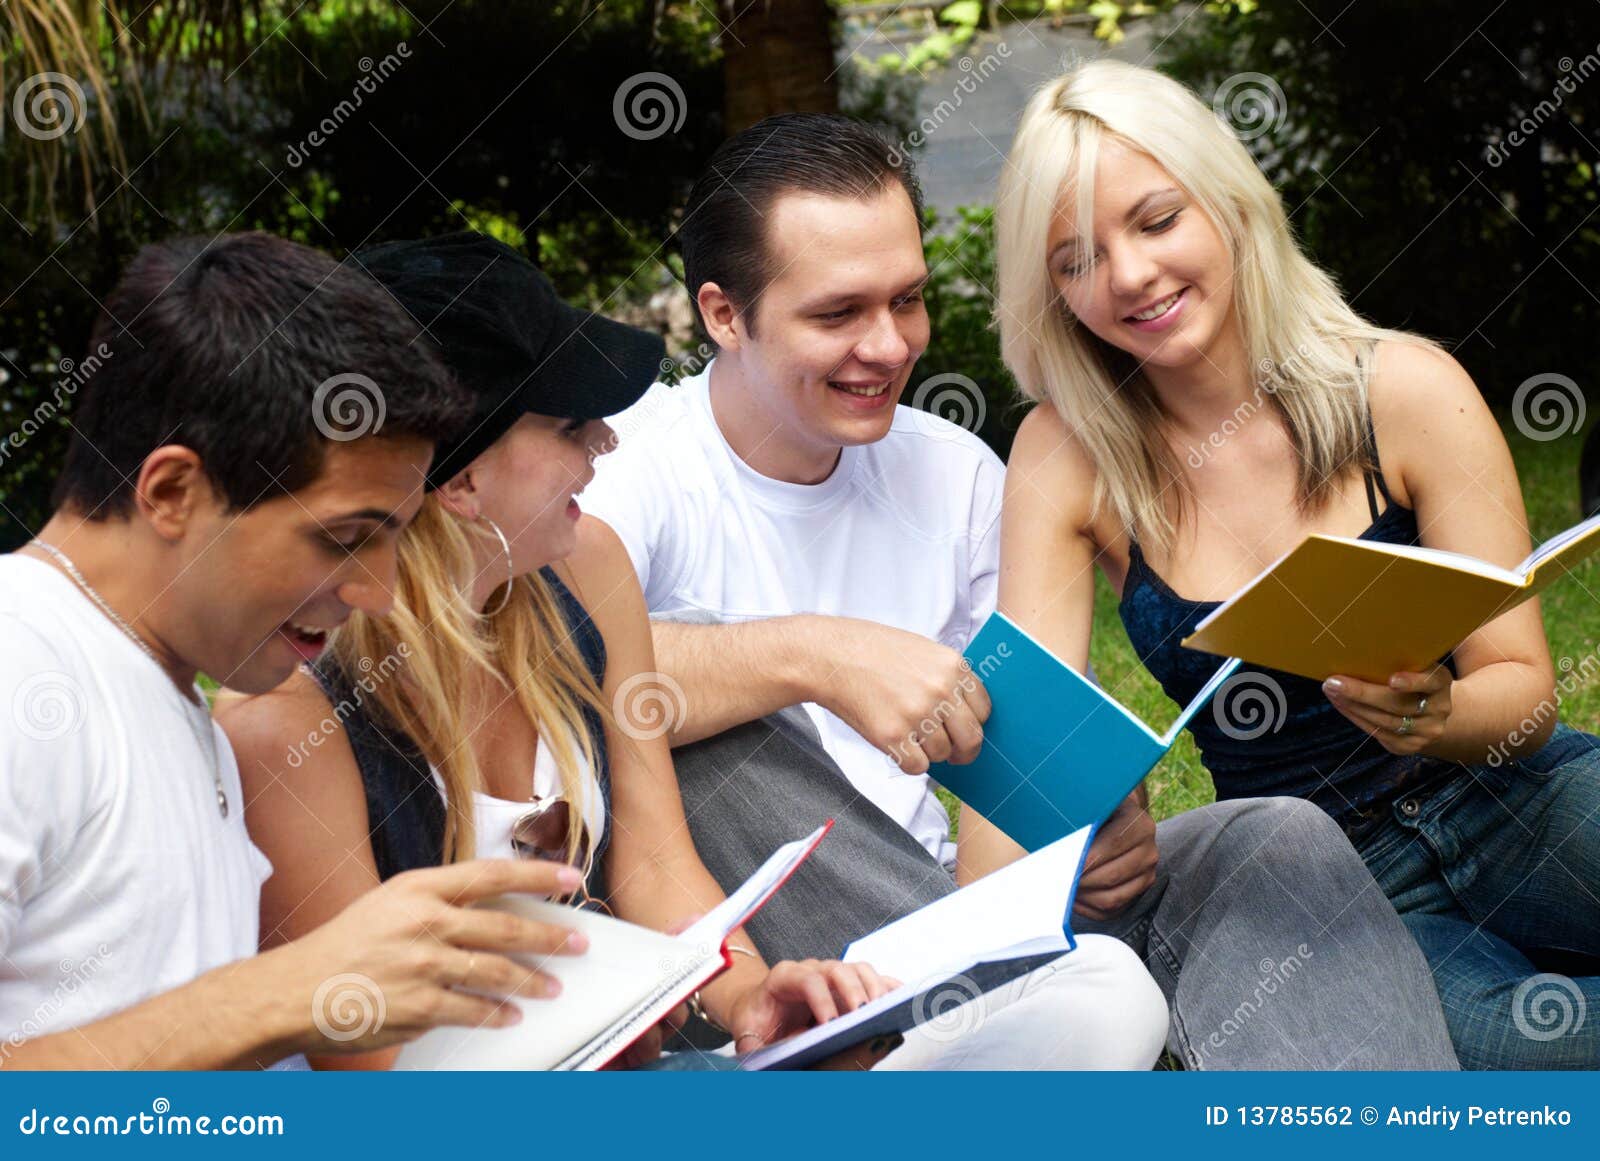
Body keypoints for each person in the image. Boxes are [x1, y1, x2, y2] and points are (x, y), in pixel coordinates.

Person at [579, 112, 1460, 1069]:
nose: (888, 346)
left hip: (953, 908)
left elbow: (1019, 738)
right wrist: (814, 655)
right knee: (702, 708)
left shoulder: (952, 472)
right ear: (723, 315)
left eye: (907, 300)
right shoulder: (626, 471)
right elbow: (543, 669)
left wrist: (1081, 834)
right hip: (809, 962)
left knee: (1275, 839)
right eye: (838, 314)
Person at [217, 232, 1166, 1070]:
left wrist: (752, 1000)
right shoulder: (291, 710)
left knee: (1105, 990)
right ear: (460, 479)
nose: (603, 442)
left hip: (648, 1069)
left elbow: (658, 865)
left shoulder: (583, 572)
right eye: (568, 423)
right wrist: (591, 1026)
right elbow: (369, 1058)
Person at [985, 58, 1598, 1068]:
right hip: (1327, 884)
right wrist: (1074, 833)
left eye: (1154, 220)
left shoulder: (1404, 388)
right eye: (1075, 259)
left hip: (1510, 798)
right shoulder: (1064, 457)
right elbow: (1034, 749)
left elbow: (1525, 693)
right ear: (1048, 292)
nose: (1128, 276)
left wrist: (1440, 719)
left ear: (1226, 202)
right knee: (1527, 1048)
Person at [0, 233, 594, 1068]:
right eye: (345, 538)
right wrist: (279, 995)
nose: (378, 591)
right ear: (173, 491)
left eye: (396, 538)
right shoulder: (19, 666)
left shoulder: (170, 694)